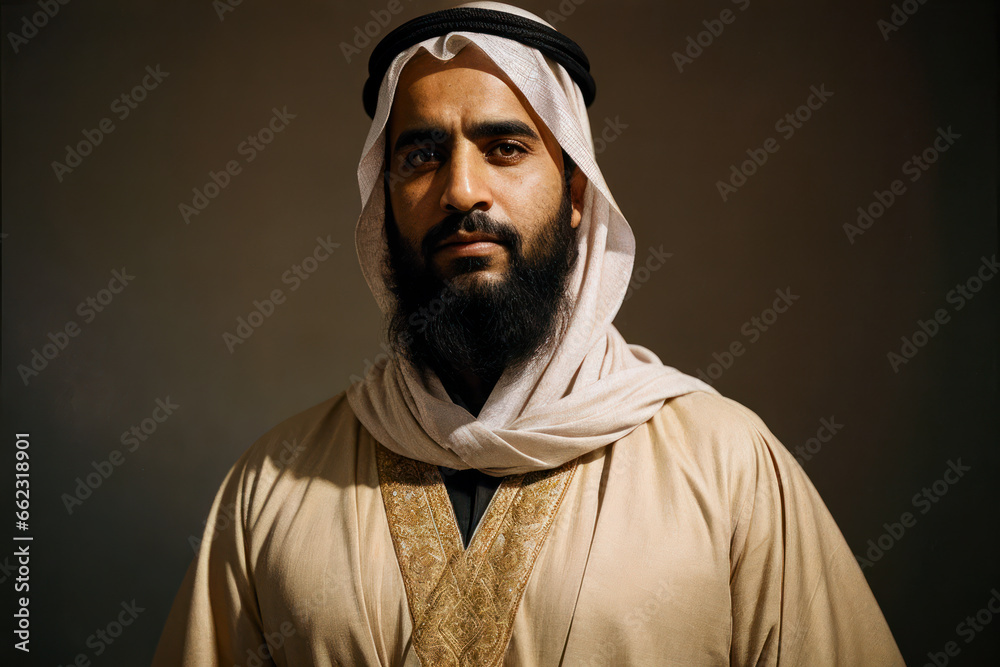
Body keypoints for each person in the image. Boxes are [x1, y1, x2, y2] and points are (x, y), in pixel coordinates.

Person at [152, 3, 905, 665]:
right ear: (382, 203)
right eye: (420, 156)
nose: (461, 190)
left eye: (505, 148)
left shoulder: (729, 467)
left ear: (577, 192)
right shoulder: (272, 486)